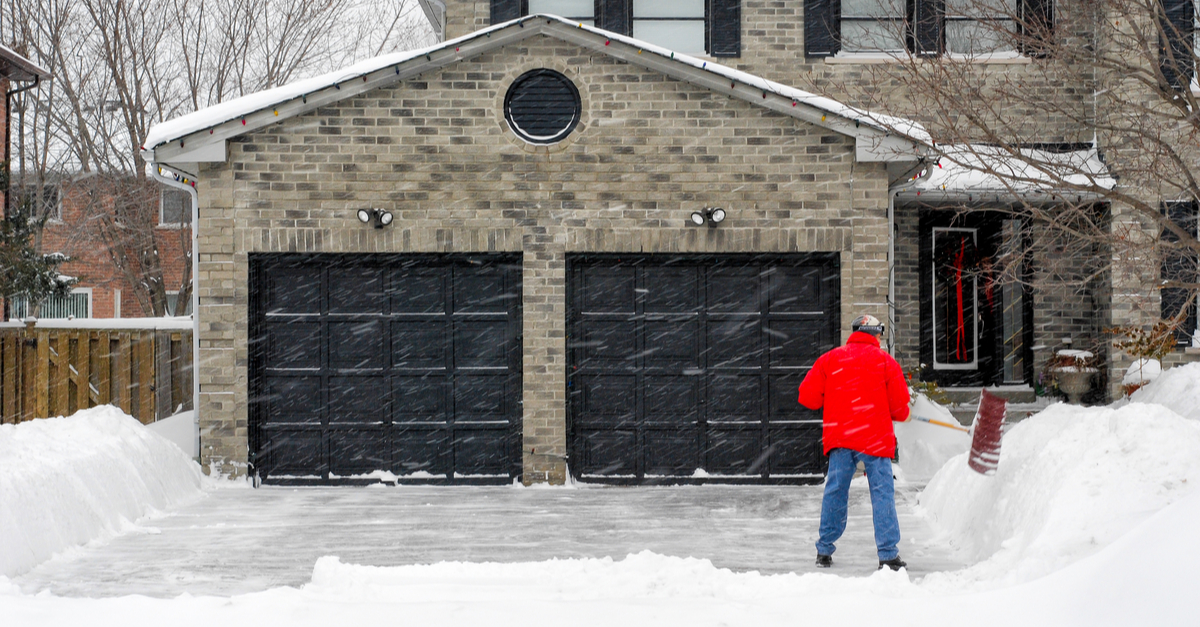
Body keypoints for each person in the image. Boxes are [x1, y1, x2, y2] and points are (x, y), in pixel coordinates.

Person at [797, 314, 911, 571]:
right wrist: (900, 411)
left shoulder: (830, 359)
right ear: (875, 334)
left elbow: (808, 397)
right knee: (882, 493)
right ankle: (888, 556)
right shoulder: (885, 362)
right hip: (875, 438)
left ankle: (824, 550)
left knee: (836, 491)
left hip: (842, 436)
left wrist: (834, 392)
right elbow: (900, 409)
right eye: (880, 334)